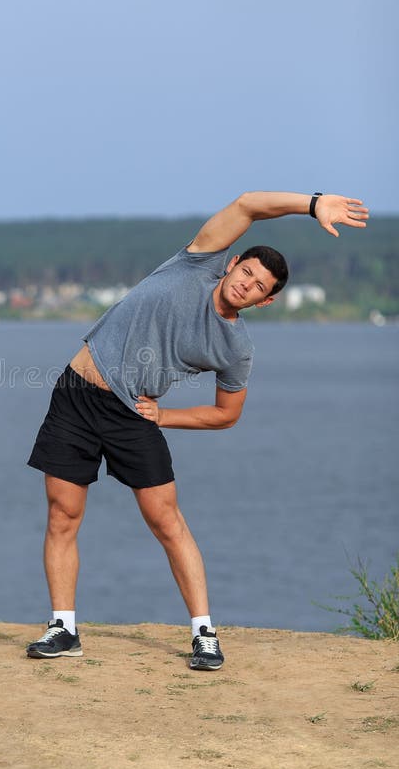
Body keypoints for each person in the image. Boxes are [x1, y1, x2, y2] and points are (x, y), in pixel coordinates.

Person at [25, 191, 369, 669]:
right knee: (63, 514)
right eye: (246, 271)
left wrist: (166, 417)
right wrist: (312, 206)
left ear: (265, 302)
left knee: (167, 522)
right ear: (231, 264)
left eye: (258, 287)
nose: (247, 284)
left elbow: (226, 414)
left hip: (132, 415)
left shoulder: (234, 347)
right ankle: (63, 628)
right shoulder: (194, 264)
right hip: (75, 396)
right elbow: (248, 205)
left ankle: (204, 635)